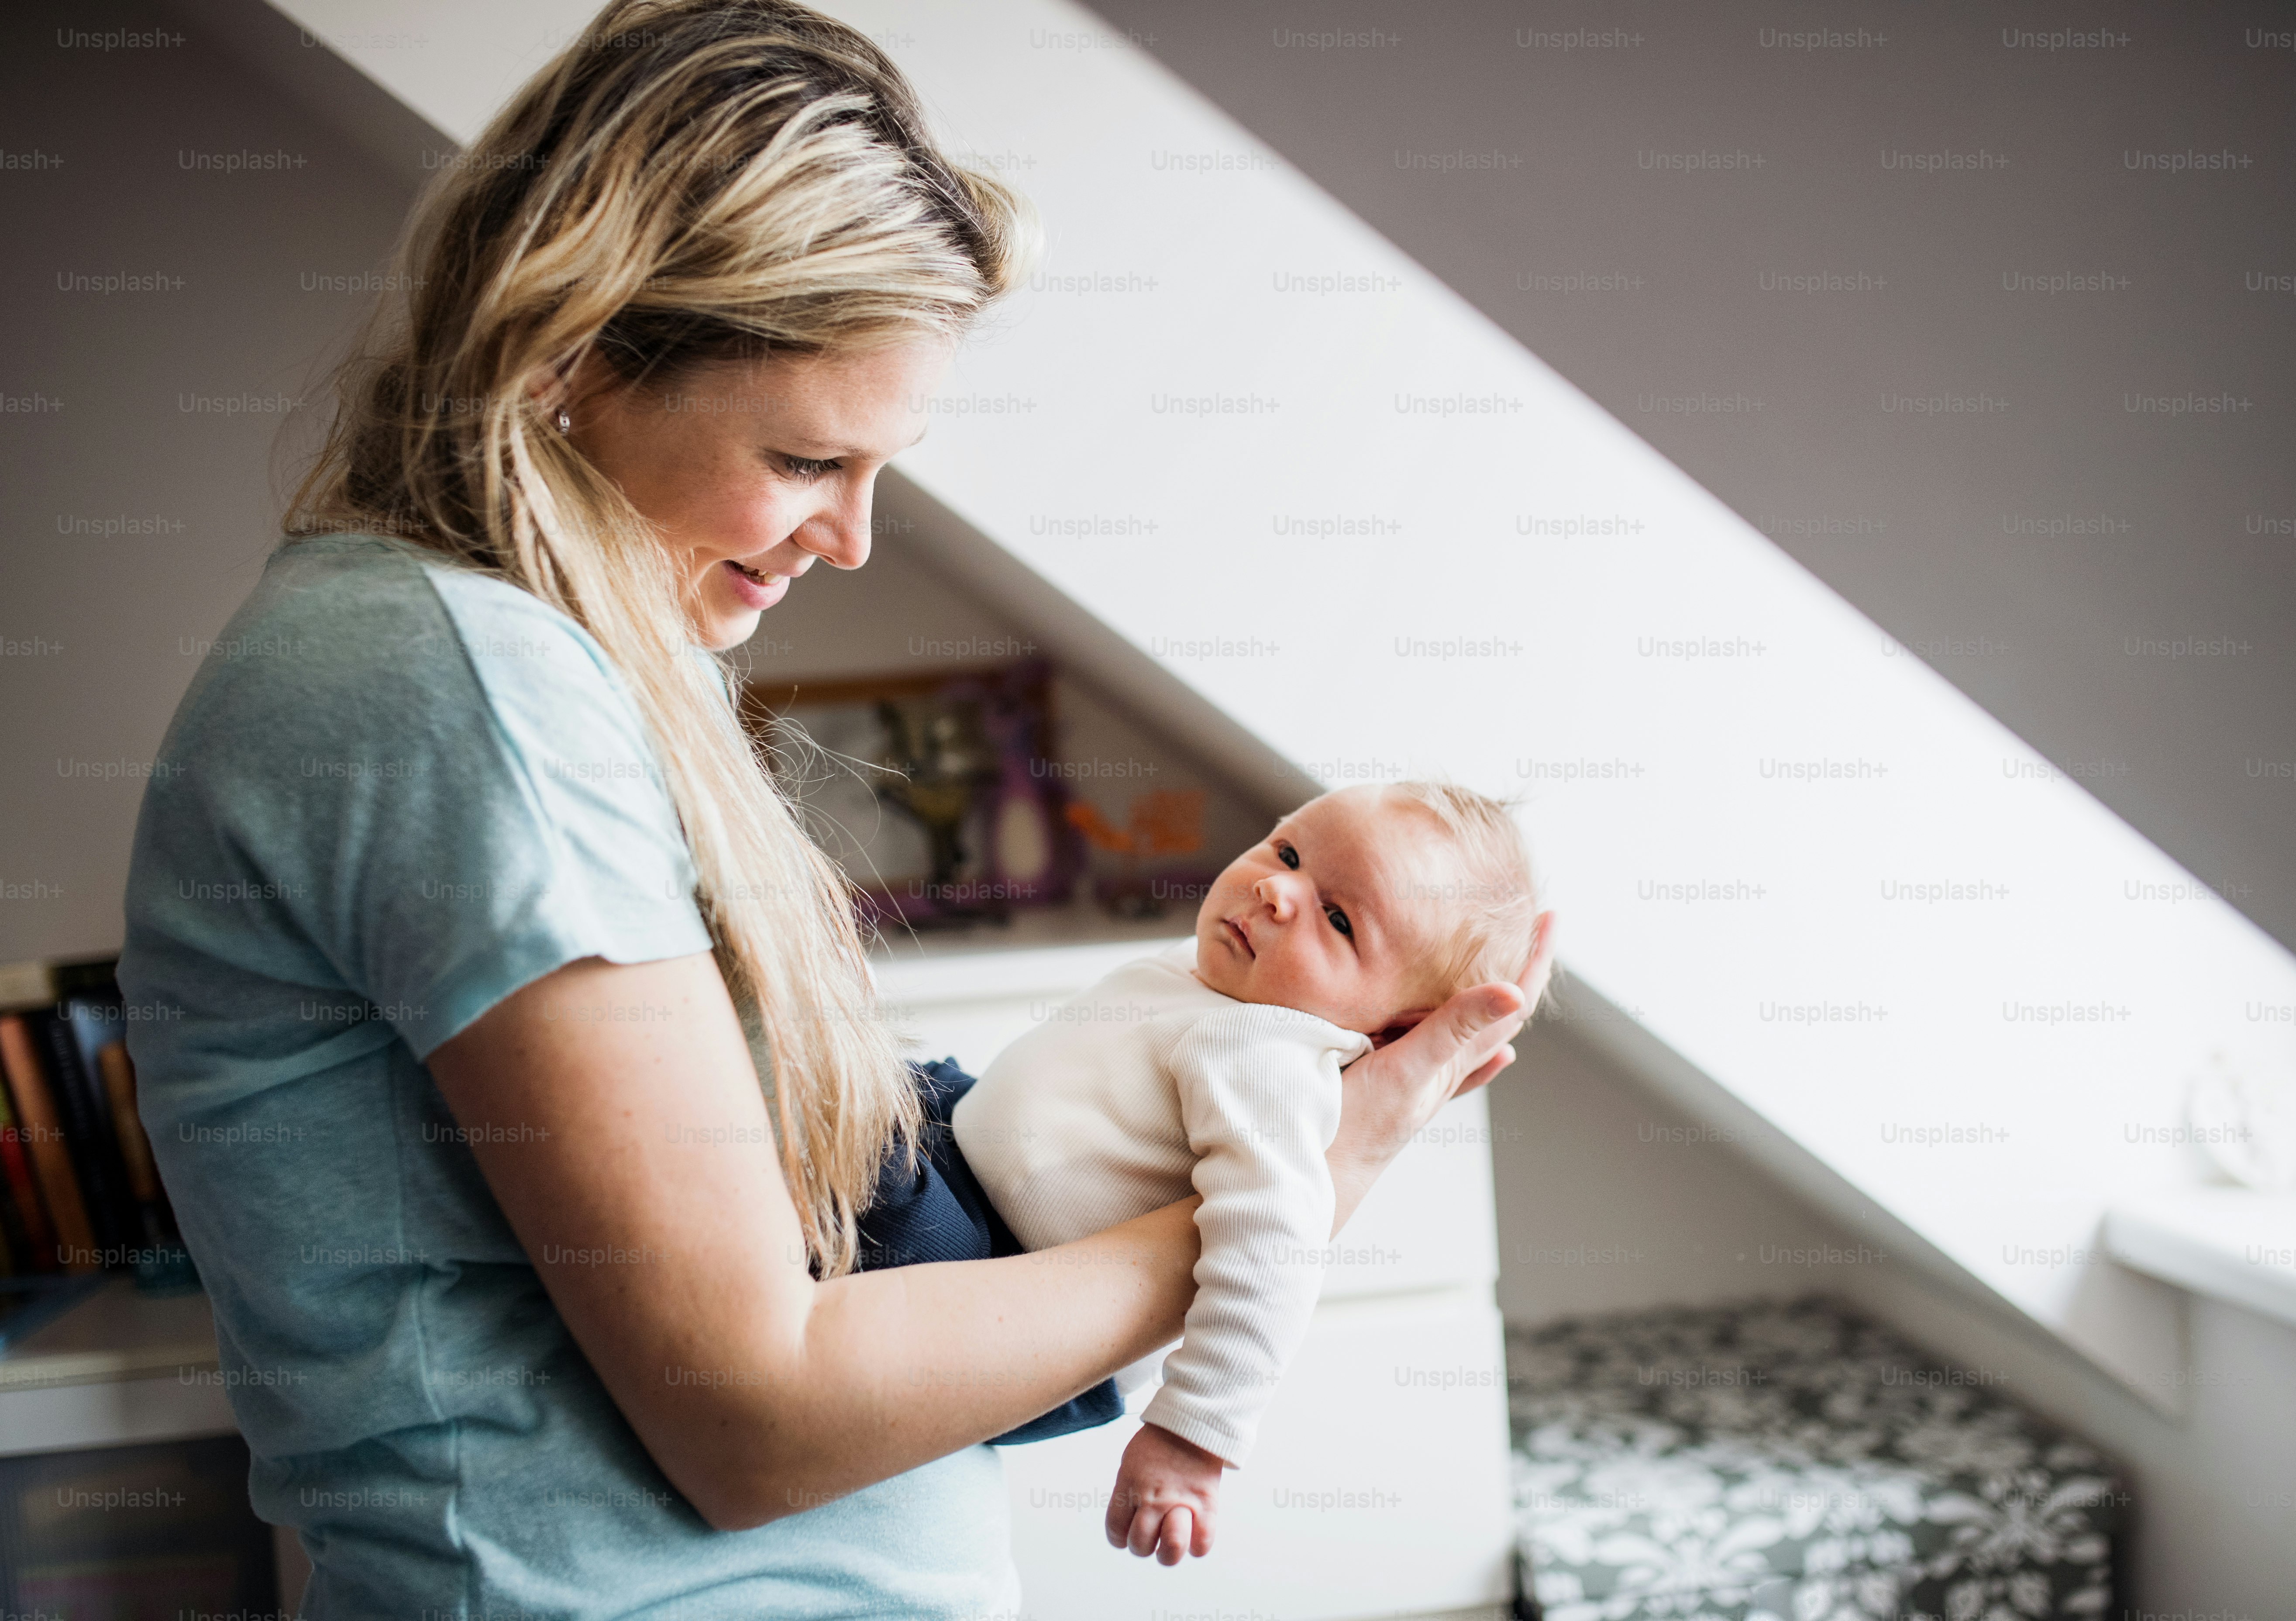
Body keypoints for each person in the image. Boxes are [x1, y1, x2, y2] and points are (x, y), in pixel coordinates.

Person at [116, 3, 1552, 1615]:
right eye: (805, 458)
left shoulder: (484, 654)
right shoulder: (467, 691)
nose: (850, 538)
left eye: (879, 469)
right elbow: (754, 1414)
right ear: (573, 352)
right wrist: (1305, 1192)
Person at [955, 781, 1539, 1565]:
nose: (1276, 889)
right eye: (1288, 851)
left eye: (1338, 919)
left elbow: (1275, 1248)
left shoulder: (1268, 1053)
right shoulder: (1219, 982)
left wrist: (1195, 1435)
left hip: (987, 1266)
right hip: (964, 1178)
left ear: (1395, 1027)